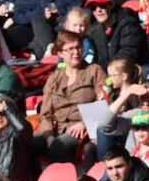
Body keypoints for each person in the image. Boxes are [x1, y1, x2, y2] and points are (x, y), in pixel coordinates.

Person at [35, 31, 106, 164]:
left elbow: (104, 102)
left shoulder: (94, 71)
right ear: (60, 53)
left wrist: (84, 123)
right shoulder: (54, 79)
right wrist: (49, 136)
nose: (76, 52)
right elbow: (45, 114)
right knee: (27, 143)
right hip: (57, 128)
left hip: (82, 129)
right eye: (70, 49)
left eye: (78, 47)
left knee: (59, 145)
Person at [85, 0, 148, 67]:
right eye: (93, 7)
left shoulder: (127, 20)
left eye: (102, 5)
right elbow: (100, 60)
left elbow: (129, 53)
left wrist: (110, 70)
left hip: (132, 70)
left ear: (111, 4)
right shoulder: (95, 30)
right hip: (110, 74)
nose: (98, 10)